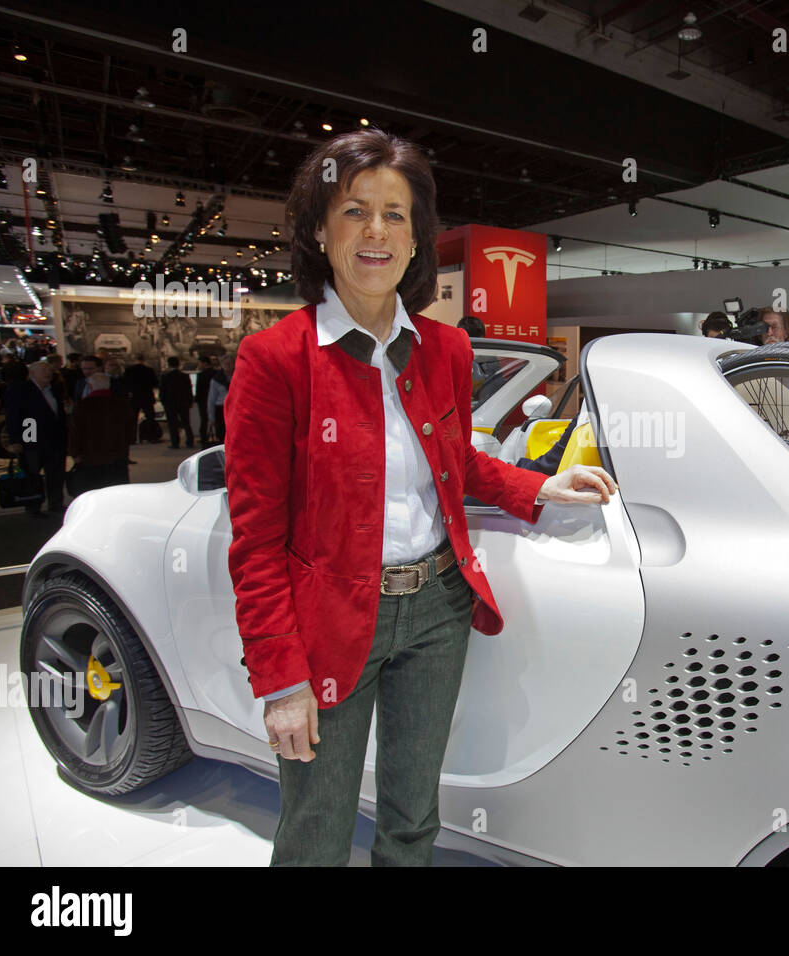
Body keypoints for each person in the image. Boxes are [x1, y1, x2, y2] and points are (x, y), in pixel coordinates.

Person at [224, 128, 618, 867]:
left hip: (438, 610)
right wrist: (280, 677)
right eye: (353, 210)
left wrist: (539, 485)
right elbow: (254, 539)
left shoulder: (447, 350)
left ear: (416, 241)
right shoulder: (275, 360)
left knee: (413, 815)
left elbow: (455, 463)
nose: (376, 231)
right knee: (317, 825)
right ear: (318, 230)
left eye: (396, 214)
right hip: (330, 622)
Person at [3, 360, 68, 517]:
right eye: (44, 370)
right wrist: (15, 440)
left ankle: (56, 503)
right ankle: (33, 505)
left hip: (55, 439)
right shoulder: (20, 390)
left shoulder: (54, 390)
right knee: (32, 473)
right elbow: (13, 416)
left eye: (49, 370)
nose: (48, 373)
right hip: (31, 436)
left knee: (56, 473)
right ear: (32, 374)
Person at [67, 372, 134, 492]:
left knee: (94, 490)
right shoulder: (122, 404)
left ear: (91, 387)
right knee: (117, 489)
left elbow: (75, 432)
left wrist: (74, 452)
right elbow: (130, 428)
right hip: (117, 454)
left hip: (90, 456)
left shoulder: (82, 406)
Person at [159, 356, 195, 449]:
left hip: (170, 403)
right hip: (183, 402)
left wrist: (163, 401)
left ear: (169, 364)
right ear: (178, 364)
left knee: (172, 424)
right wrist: (190, 401)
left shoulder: (165, 377)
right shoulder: (184, 376)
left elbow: (162, 391)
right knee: (186, 422)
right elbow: (189, 390)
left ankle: (175, 443)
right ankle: (190, 441)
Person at [123, 353, 160, 442]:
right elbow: (155, 382)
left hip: (134, 397)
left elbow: (125, 383)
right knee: (150, 417)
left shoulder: (129, 370)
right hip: (147, 396)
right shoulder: (149, 370)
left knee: (133, 418)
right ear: (143, 360)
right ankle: (152, 437)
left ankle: (132, 438)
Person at [206, 353, 234, 443]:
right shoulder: (216, 379)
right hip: (221, 409)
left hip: (236, 408)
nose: (228, 366)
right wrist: (211, 418)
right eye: (225, 364)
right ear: (222, 365)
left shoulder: (239, 376)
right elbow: (211, 399)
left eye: (230, 363)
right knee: (222, 435)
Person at [195, 354, 217, 446]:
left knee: (204, 420)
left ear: (204, 363)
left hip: (203, 401)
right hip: (216, 400)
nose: (199, 365)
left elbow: (199, 390)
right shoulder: (216, 373)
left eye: (199, 363)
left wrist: (196, 399)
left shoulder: (201, 375)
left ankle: (204, 438)